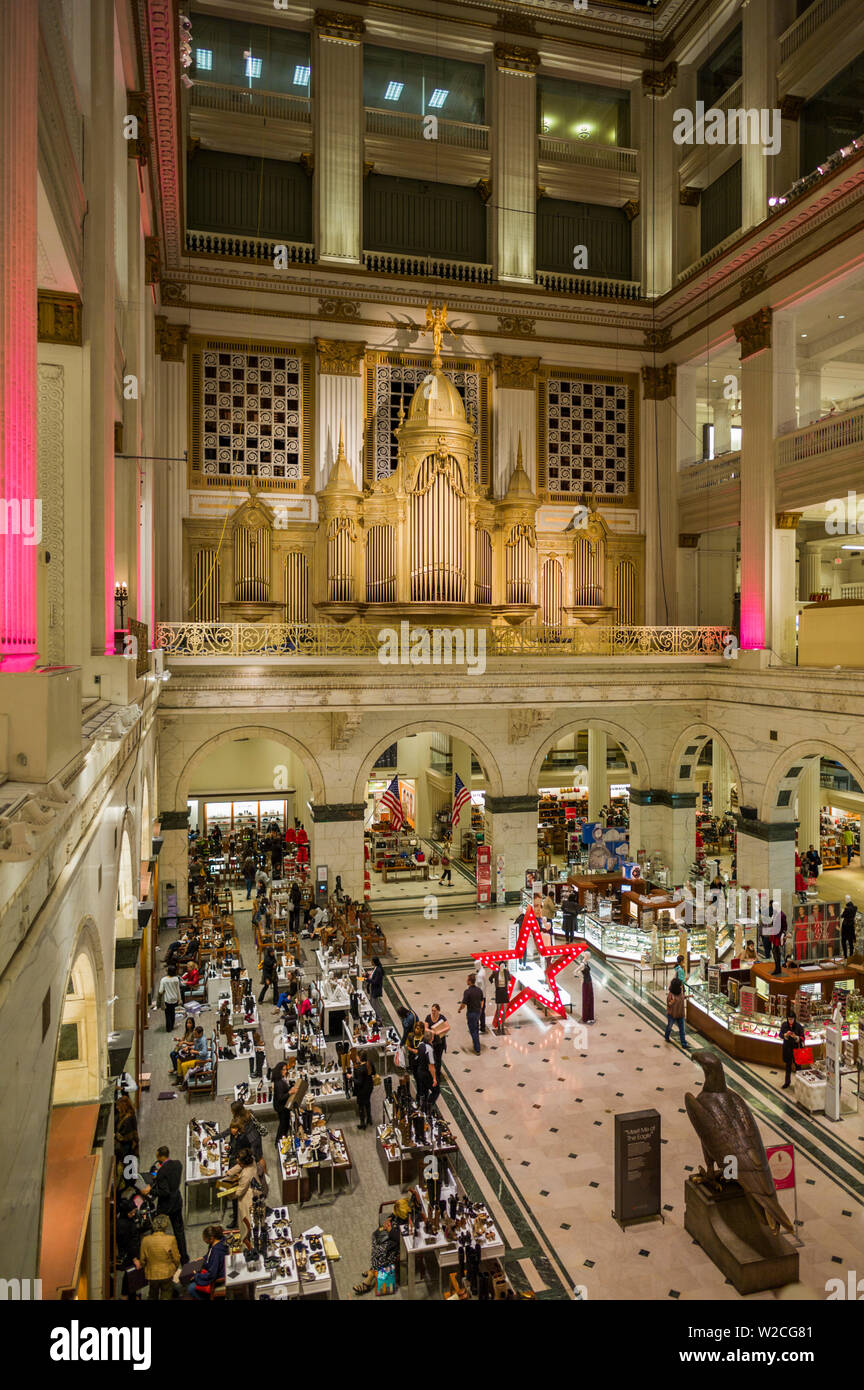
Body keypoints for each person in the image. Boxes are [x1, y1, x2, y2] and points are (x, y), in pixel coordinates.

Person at [151, 1146, 188, 1264]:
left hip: (166, 1206)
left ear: (160, 1156)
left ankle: (158, 1257)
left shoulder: (161, 1172)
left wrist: (150, 1190)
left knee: (158, 1229)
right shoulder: (178, 1164)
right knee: (179, 1231)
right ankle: (184, 1258)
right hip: (177, 1201)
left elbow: (164, 1192)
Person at [352, 1214, 400, 1296]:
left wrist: (391, 1231)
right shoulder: (407, 1204)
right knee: (375, 1238)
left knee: (382, 1252)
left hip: (400, 1240)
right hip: (393, 1231)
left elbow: (403, 1237)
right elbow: (395, 1213)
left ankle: (368, 1281)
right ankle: (373, 1270)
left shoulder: (414, 1215)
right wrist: (389, 1219)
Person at [140, 1213, 180, 1299]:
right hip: (167, 1273)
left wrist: (147, 1268)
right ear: (166, 1225)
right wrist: (175, 1267)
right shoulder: (171, 1239)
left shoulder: (145, 1240)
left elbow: (142, 1260)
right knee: (166, 1294)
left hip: (152, 1273)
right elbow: (176, 1258)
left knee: (152, 1294)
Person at [189, 1225, 229, 1299]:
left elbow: (212, 1274)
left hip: (218, 1277)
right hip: (215, 1268)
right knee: (191, 1267)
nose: (204, 1240)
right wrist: (203, 1258)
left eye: (204, 1238)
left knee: (191, 1288)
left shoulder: (217, 1251)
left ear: (211, 1238)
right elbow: (209, 1255)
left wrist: (196, 1276)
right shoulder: (218, 1242)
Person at [223, 1147, 257, 1231]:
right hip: (250, 1186)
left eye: (240, 1162)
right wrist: (229, 1173)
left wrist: (228, 1194)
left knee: (245, 1217)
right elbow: (239, 1166)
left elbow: (240, 1192)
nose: (239, 1164)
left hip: (248, 1195)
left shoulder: (246, 1174)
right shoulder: (251, 1159)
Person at [458, 972, 484, 1055]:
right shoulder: (479, 990)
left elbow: (463, 1004)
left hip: (471, 1013)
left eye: (467, 979)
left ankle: (477, 1048)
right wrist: (480, 1009)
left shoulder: (467, 992)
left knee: (473, 1030)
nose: (466, 981)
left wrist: (459, 1009)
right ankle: (476, 1044)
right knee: (475, 1028)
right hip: (477, 1013)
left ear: (469, 981)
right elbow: (482, 1001)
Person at [779, 1008, 805, 1089]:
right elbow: (780, 1035)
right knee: (788, 1066)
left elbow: (803, 1038)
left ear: (794, 1019)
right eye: (789, 1019)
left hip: (796, 1049)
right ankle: (787, 1082)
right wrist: (785, 1035)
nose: (790, 1021)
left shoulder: (798, 1026)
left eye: (792, 1019)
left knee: (798, 1068)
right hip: (787, 1049)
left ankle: (799, 1083)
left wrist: (796, 1037)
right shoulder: (784, 1025)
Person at [424, 1002, 449, 1076]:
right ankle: (431, 1072)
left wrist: (438, 1032)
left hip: (440, 1041)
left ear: (438, 1011)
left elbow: (448, 1027)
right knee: (431, 1057)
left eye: (434, 1010)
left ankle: (437, 1073)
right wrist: (431, 1031)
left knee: (438, 1058)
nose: (433, 1012)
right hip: (431, 1041)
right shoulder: (428, 1017)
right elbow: (425, 1028)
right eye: (432, 1010)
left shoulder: (442, 1017)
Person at [664, 977, 689, 1049]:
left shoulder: (680, 992)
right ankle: (666, 1036)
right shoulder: (671, 995)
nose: (682, 986)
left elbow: (682, 997)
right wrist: (672, 1002)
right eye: (680, 985)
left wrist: (688, 996)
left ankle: (684, 1043)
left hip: (680, 1014)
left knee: (682, 1030)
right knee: (669, 1027)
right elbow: (669, 1004)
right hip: (672, 1014)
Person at [415, 1031, 438, 1110]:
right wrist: (434, 1078)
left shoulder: (421, 1044)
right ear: (432, 1039)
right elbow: (431, 1066)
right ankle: (428, 1105)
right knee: (436, 1090)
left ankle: (423, 1106)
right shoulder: (429, 1049)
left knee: (424, 1090)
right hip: (426, 1073)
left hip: (419, 1070)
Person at [353, 1050, 374, 1130]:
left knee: (361, 1106)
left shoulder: (360, 1069)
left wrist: (351, 1078)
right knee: (367, 1102)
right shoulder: (370, 1063)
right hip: (369, 1087)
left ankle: (363, 1124)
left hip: (362, 1090)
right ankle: (369, 1119)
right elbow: (374, 1073)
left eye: (357, 1056)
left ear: (359, 1058)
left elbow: (359, 1082)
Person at [114, 1094, 139, 1163]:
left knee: (127, 1163)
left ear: (123, 1106)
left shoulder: (128, 1119)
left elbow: (124, 1136)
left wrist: (115, 1135)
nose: (117, 1107)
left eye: (118, 1105)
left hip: (127, 1146)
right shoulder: (126, 1114)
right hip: (128, 1145)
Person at [157, 966, 182, 1031]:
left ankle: (168, 1028)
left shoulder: (163, 980)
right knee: (173, 1012)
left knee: (167, 1014)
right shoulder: (176, 979)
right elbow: (178, 990)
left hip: (167, 999)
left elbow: (160, 990)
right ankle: (172, 1025)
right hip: (175, 998)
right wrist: (179, 999)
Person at [273, 1061, 293, 1143]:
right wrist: (290, 1092)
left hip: (283, 1105)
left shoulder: (281, 1079)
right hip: (281, 1107)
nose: (285, 1071)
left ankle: (282, 1139)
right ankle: (278, 1141)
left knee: (285, 1124)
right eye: (283, 1070)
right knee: (283, 1125)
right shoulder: (278, 1083)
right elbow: (280, 1098)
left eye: (286, 1069)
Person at [491, 962, 511, 1033]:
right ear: (499, 966)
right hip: (499, 991)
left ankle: (502, 1025)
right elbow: (490, 978)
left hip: (505, 991)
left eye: (503, 966)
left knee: (505, 1010)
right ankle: (499, 1025)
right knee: (498, 1009)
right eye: (501, 966)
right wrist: (494, 982)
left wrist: (507, 970)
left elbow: (510, 978)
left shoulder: (506, 972)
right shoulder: (496, 972)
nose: (502, 967)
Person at [367, 957, 385, 1021]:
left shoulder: (378, 970)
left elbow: (375, 981)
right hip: (373, 988)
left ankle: (379, 1018)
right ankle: (374, 1015)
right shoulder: (375, 968)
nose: (371, 962)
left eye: (371, 961)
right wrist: (367, 975)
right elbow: (372, 976)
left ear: (374, 962)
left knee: (375, 1004)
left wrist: (368, 980)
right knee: (373, 1002)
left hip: (376, 989)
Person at [474, 961, 488, 1033]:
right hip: (484, 995)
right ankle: (482, 1026)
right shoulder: (483, 970)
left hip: (480, 997)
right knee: (482, 1012)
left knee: (479, 1012)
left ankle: (481, 1027)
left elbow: (480, 987)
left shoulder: (480, 975)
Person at [581, 960, 595, 1025]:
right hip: (586, 983)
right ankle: (586, 1018)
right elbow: (575, 971)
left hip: (589, 982)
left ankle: (590, 1017)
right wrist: (581, 978)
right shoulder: (582, 964)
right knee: (586, 1000)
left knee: (591, 999)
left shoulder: (587, 962)